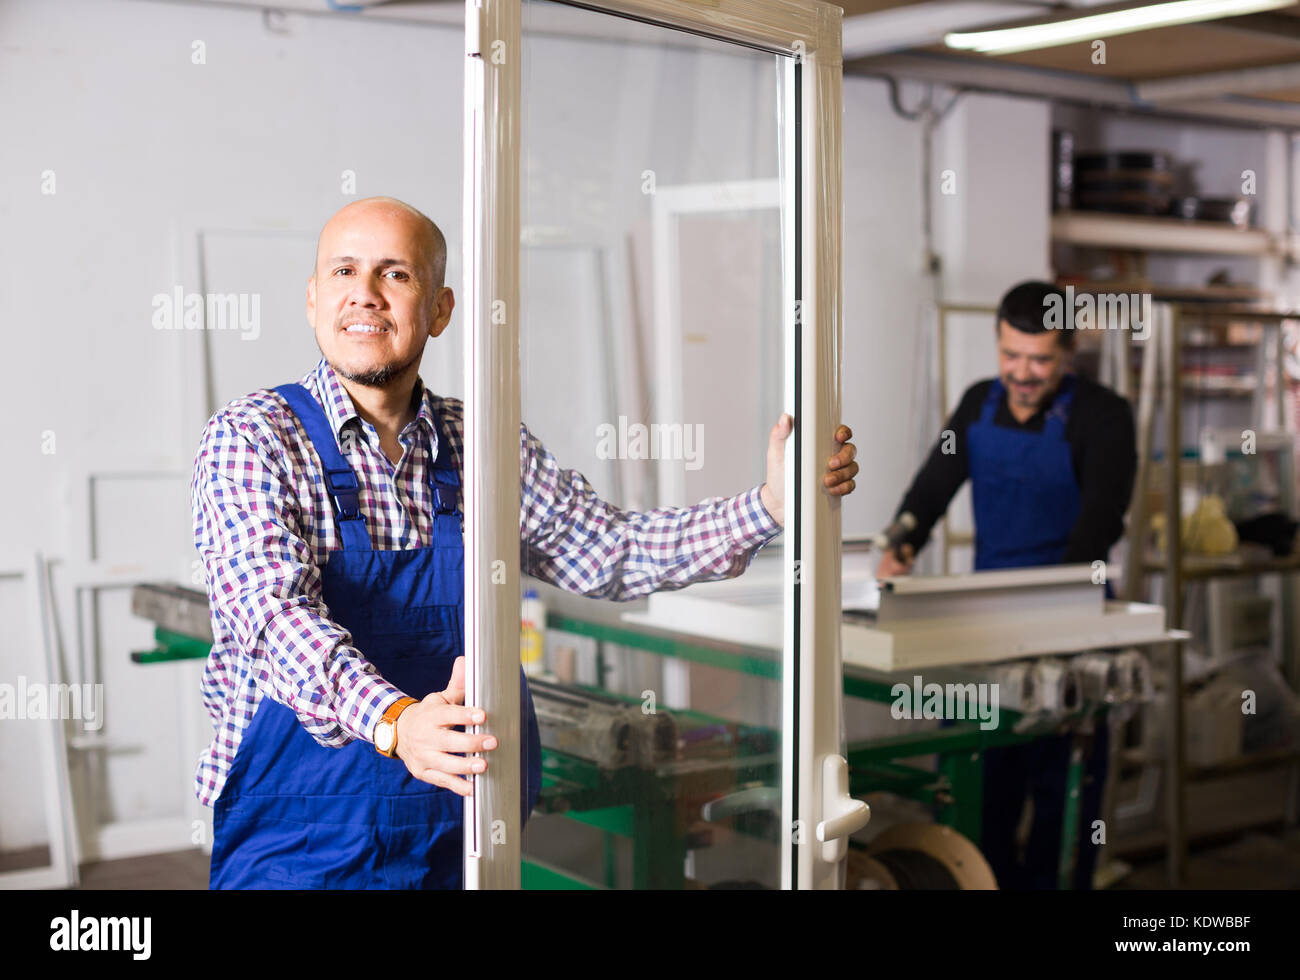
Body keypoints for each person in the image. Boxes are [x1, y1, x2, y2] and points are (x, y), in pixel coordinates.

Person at [191, 196, 860, 889]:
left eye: (395, 275)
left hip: (458, 838)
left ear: (441, 309)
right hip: (298, 847)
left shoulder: (484, 445)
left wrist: (772, 506)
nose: (365, 294)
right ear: (312, 299)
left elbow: (611, 550)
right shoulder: (254, 439)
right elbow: (271, 619)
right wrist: (395, 722)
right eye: (344, 272)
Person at [877, 280, 1136, 890]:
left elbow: (1100, 521)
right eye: (1010, 356)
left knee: (1061, 795)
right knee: (977, 777)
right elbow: (932, 487)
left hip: (1067, 621)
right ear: (997, 344)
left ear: (1068, 352)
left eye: (1040, 359)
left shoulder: (1103, 416)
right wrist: (901, 541)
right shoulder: (976, 405)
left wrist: (1053, 611)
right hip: (984, 622)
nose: (1022, 373)